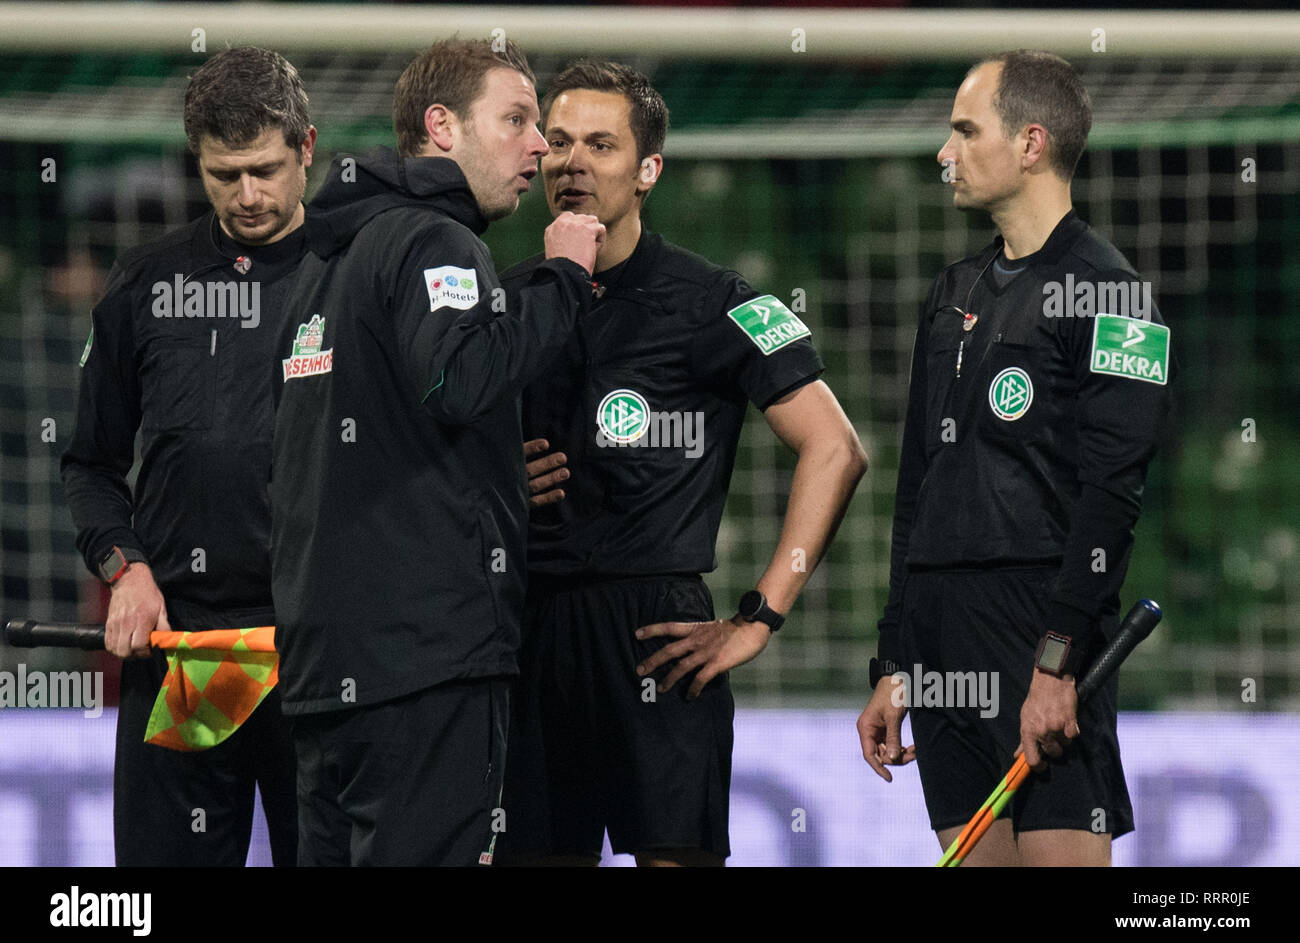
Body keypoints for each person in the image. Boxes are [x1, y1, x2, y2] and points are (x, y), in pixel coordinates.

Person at [499, 61, 867, 866]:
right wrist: (490, 487)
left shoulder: (719, 301)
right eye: (557, 142)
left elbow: (835, 447)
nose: (573, 163)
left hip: (658, 634)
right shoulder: (504, 300)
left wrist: (761, 615)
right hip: (521, 627)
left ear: (648, 170)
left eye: (601, 144)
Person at [268, 38, 603, 866]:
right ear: (441, 126)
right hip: (422, 662)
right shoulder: (435, 240)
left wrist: (482, 479)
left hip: (323, 670)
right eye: (517, 119)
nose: (539, 145)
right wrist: (562, 277)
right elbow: (458, 377)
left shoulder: (322, 264)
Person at [856, 50, 1172, 866]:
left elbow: (1113, 497)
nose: (944, 152)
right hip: (938, 637)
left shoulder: (1117, 297)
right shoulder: (950, 291)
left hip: (1037, 635)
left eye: (964, 130)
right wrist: (894, 660)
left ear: (1031, 143)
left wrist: (1058, 663)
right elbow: (917, 487)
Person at [61, 46, 315, 866]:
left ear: (307, 147)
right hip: (187, 657)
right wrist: (124, 567)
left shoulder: (362, 278)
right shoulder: (145, 284)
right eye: (223, 174)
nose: (247, 195)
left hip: (327, 656)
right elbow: (91, 465)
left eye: (266, 170)